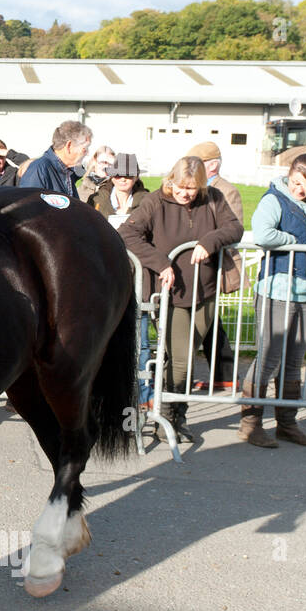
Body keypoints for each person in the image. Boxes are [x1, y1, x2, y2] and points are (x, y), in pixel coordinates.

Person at [119, 156, 242, 443]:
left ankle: (177, 415)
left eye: (191, 188)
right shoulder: (154, 201)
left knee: (185, 357)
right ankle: (166, 419)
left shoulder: (213, 198)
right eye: (180, 186)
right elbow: (128, 233)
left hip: (205, 290)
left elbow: (234, 227)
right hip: (169, 294)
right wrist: (161, 263)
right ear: (171, 180)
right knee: (180, 361)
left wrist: (209, 242)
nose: (185, 193)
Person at [237, 154, 306, 448]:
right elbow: (263, 234)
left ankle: (287, 425)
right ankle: (250, 424)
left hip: (304, 291)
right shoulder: (274, 199)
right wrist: (295, 241)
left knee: (293, 361)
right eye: (296, 183)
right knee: (268, 357)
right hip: (275, 288)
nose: (299, 190)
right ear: (289, 175)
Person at [92, 153, 152, 407]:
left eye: (127, 175)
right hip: (104, 280)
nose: (122, 179)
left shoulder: (149, 201)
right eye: (117, 174)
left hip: (138, 279)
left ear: (136, 176)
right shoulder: (96, 200)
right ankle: (103, 396)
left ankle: (142, 397)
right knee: (102, 339)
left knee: (140, 340)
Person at [186, 140, 243, 387]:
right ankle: (224, 376)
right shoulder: (196, 187)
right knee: (206, 322)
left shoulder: (226, 190)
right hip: (195, 265)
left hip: (215, 265)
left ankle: (220, 376)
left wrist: (206, 243)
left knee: (205, 321)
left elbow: (233, 227)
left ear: (212, 165)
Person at [18, 121, 92, 199]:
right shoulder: (39, 169)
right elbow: (27, 207)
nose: (87, 153)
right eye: (85, 148)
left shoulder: (67, 171)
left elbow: (81, 172)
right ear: (69, 146)